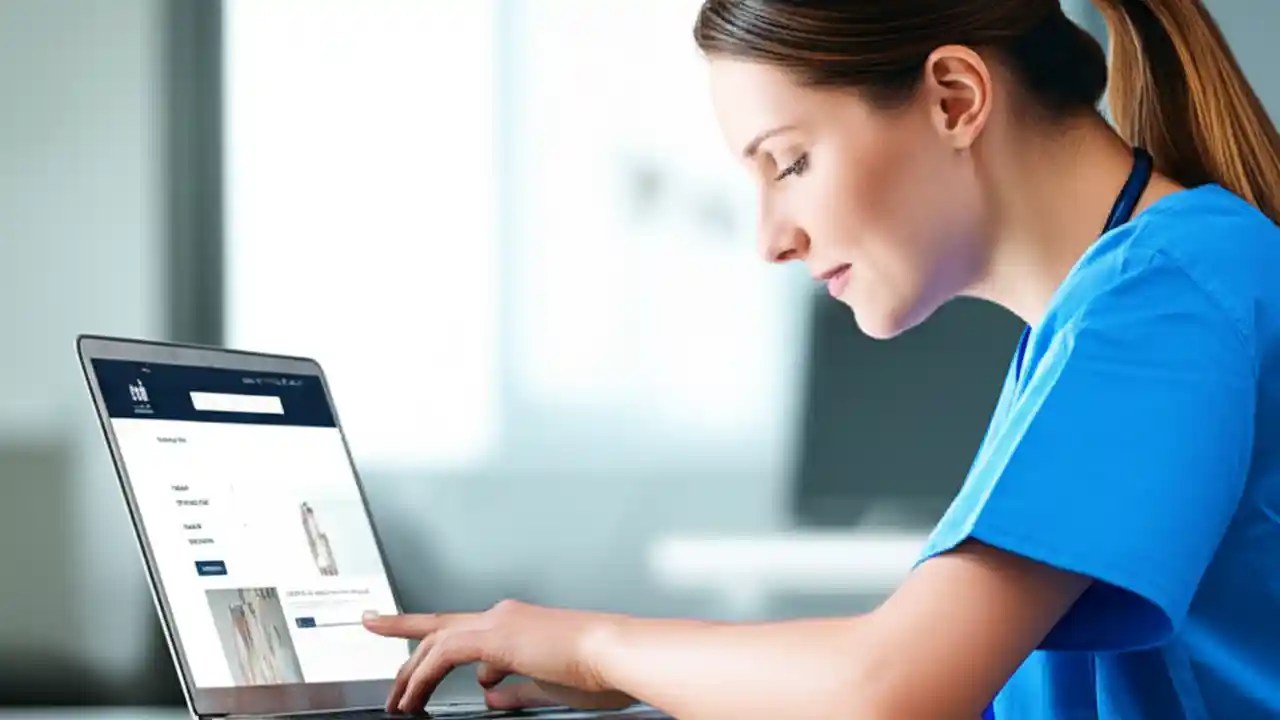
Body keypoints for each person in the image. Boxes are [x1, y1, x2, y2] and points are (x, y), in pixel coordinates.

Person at [362, 0, 1280, 717]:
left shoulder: (1167, 302)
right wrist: (662, 681)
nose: (771, 238)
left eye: (789, 162)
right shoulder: (1116, 309)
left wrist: (603, 646)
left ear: (955, 97)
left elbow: (891, 692)